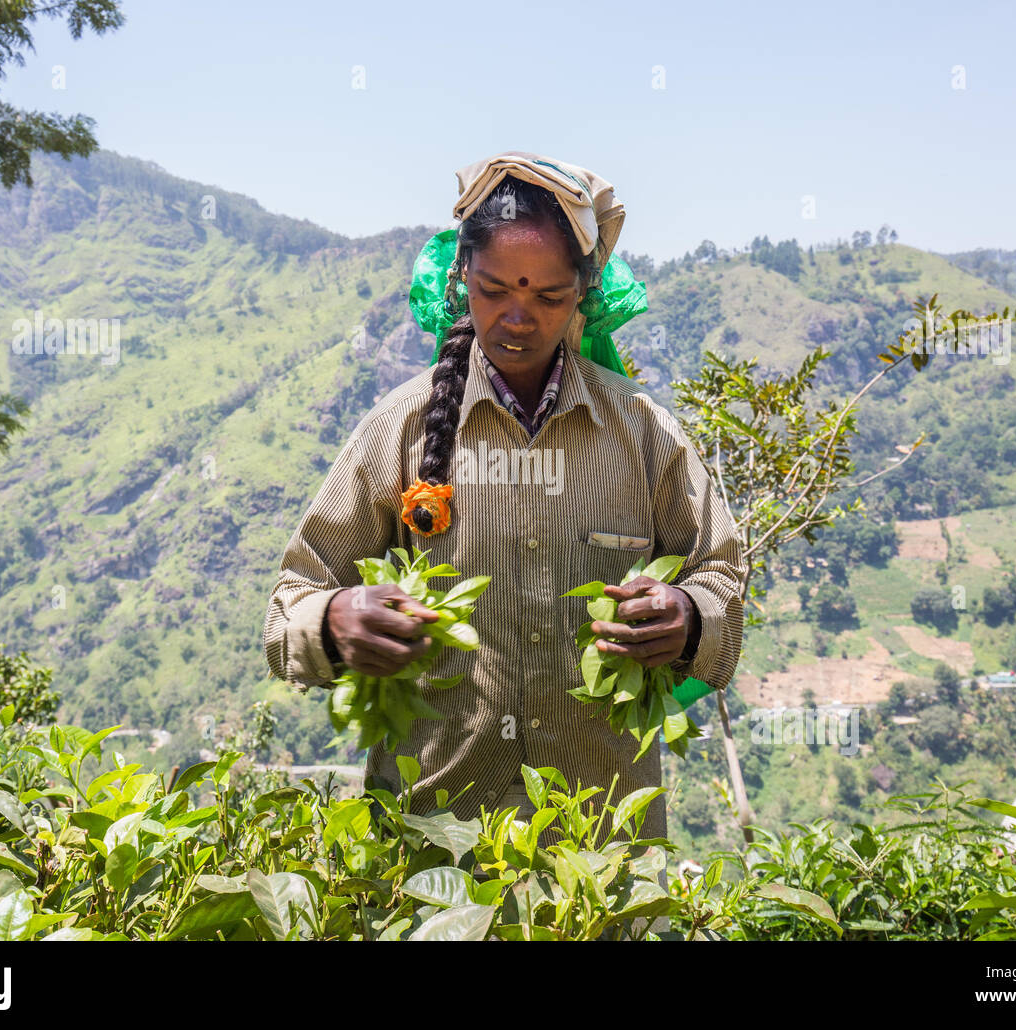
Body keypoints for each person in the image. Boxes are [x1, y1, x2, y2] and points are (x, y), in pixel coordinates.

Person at [262, 151, 746, 840]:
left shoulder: (644, 433)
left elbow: (722, 579)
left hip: (600, 873)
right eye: (495, 290)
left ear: (584, 293)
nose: (518, 319)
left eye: (548, 297)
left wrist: (691, 616)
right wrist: (335, 621)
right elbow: (287, 611)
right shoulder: (398, 430)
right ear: (462, 279)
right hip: (433, 866)